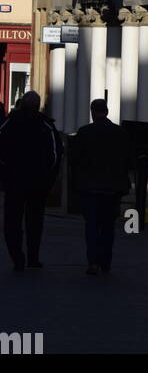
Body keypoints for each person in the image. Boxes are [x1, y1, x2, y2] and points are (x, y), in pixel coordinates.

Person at [0, 89, 62, 270]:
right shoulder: (46, 125)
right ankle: (33, 258)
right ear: (38, 105)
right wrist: (49, 179)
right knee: (35, 222)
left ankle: (17, 258)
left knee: (12, 222)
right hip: (38, 183)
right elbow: (56, 154)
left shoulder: (10, 123)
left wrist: (5, 174)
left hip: (14, 181)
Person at [69, 98, 132, 275]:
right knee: (108, 226)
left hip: (89, 188)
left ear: (92, 112)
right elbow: (128, 160)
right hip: (112, 189)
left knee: (91, 225)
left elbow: (75, 160)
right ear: (107, 111)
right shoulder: (120, 133)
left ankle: (93, 262)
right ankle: (106, 261)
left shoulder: (84, 132)